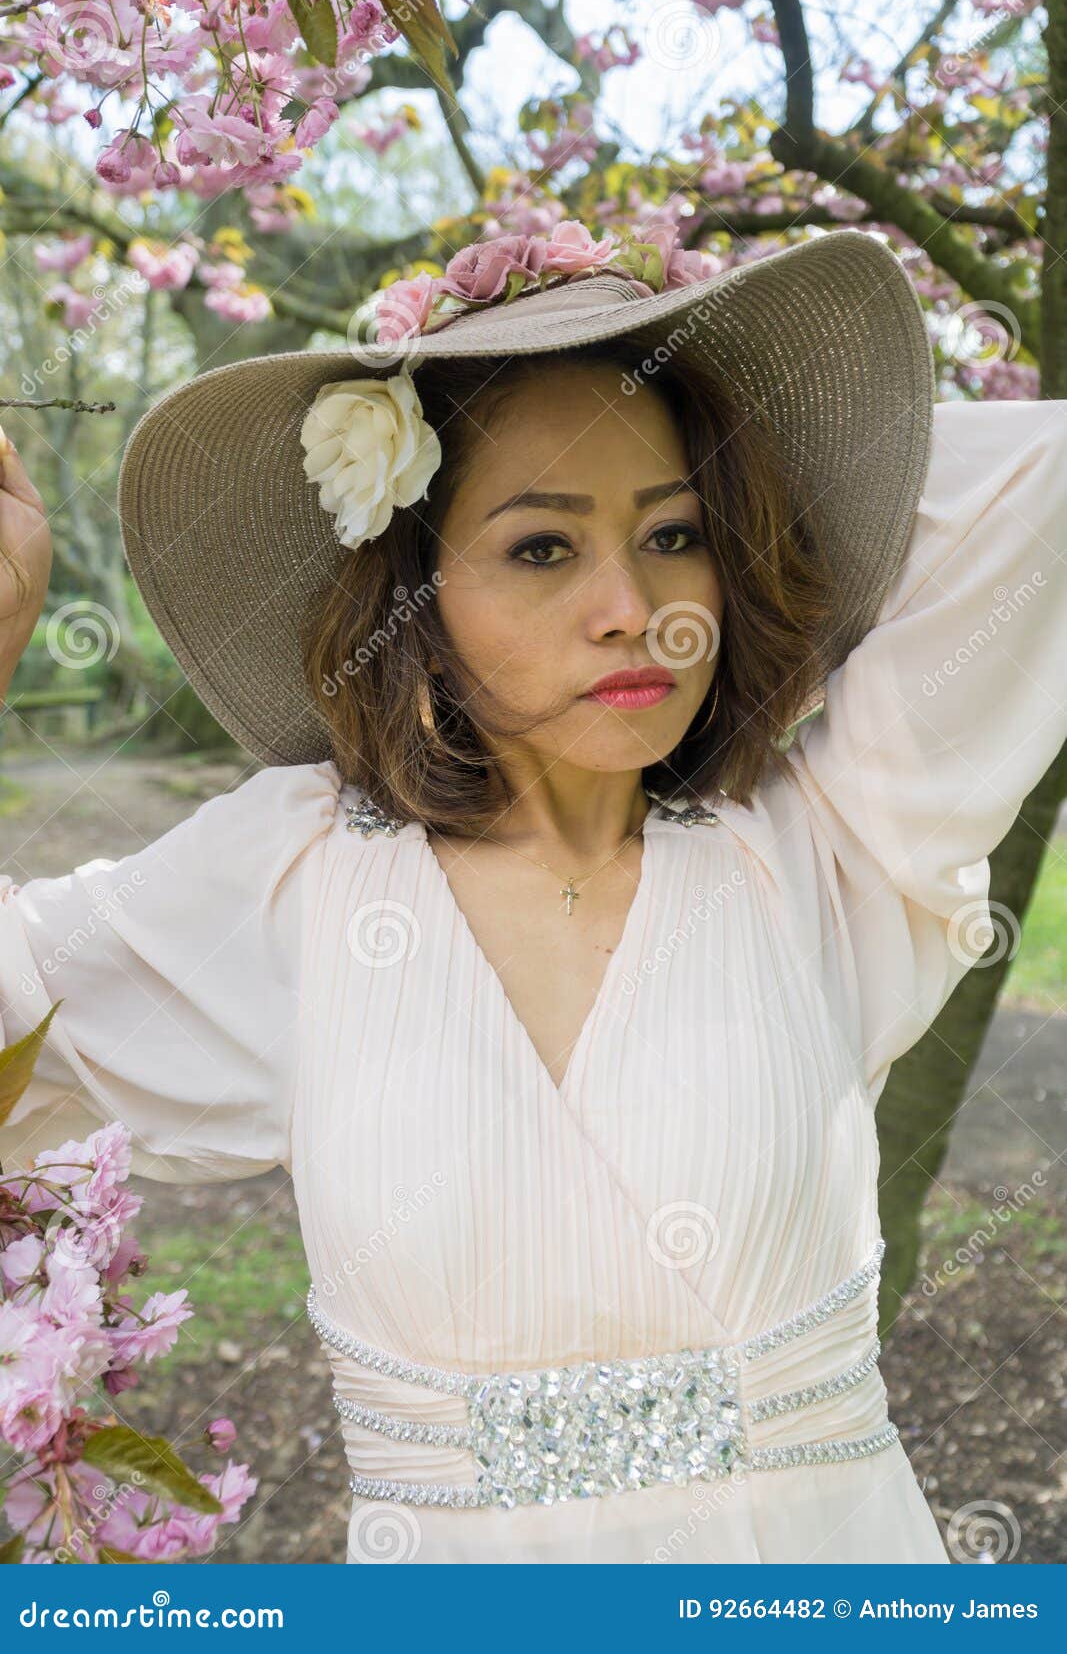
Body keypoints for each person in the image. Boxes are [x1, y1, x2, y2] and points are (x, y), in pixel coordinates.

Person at [1, 226, 1064, 1566]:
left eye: (675, 531)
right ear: (419, 597)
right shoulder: (299, 880)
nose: (633, 606)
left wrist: (700, 365)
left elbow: (1047, 479)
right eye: (543, 548)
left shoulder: (829, 857)